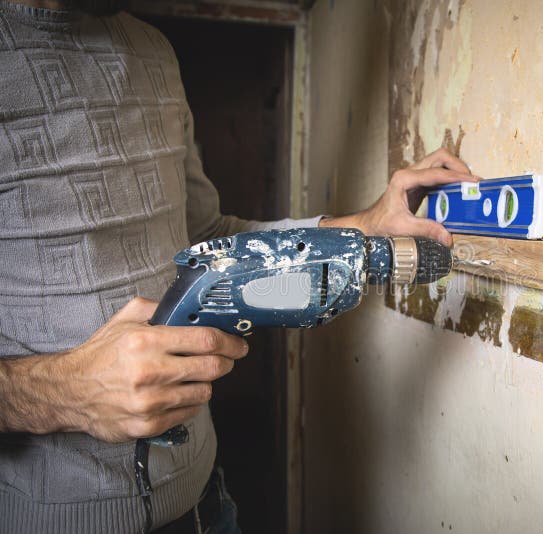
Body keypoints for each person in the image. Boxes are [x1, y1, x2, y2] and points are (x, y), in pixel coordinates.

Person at [0, 1, 477, 532]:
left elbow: (208, 240)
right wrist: (60, 391)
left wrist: (362, 226)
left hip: (204, 500)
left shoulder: (154, 52)